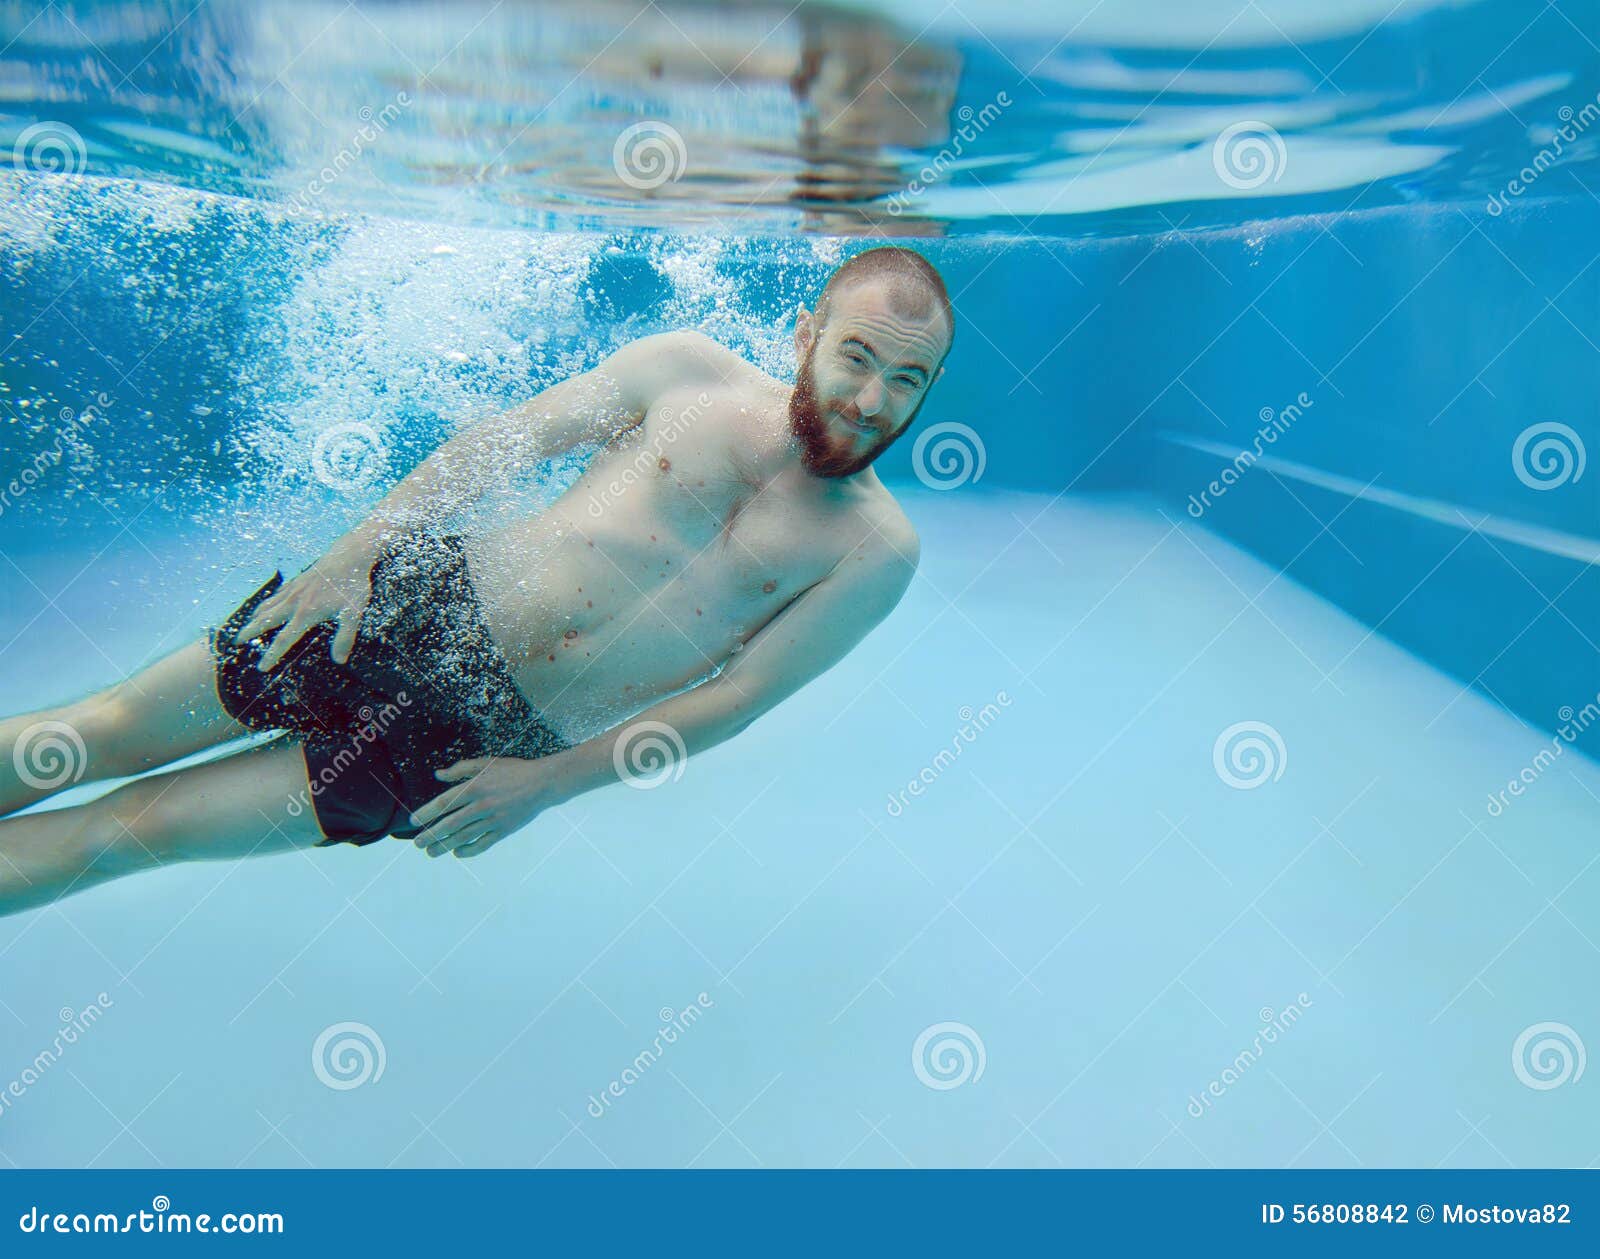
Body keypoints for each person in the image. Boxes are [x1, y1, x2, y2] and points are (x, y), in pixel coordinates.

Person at [0, 246, 954, 916]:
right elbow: (499, 449)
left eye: (907, 381)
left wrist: (546, 784)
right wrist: (351, 556)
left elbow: (738, 697)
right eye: (856, 357)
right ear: (806, 335)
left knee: (131, 832)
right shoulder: (685, 370)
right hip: (395, 611)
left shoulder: (875, 552)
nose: (871, 402)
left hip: (472, 744)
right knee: (104, 730)